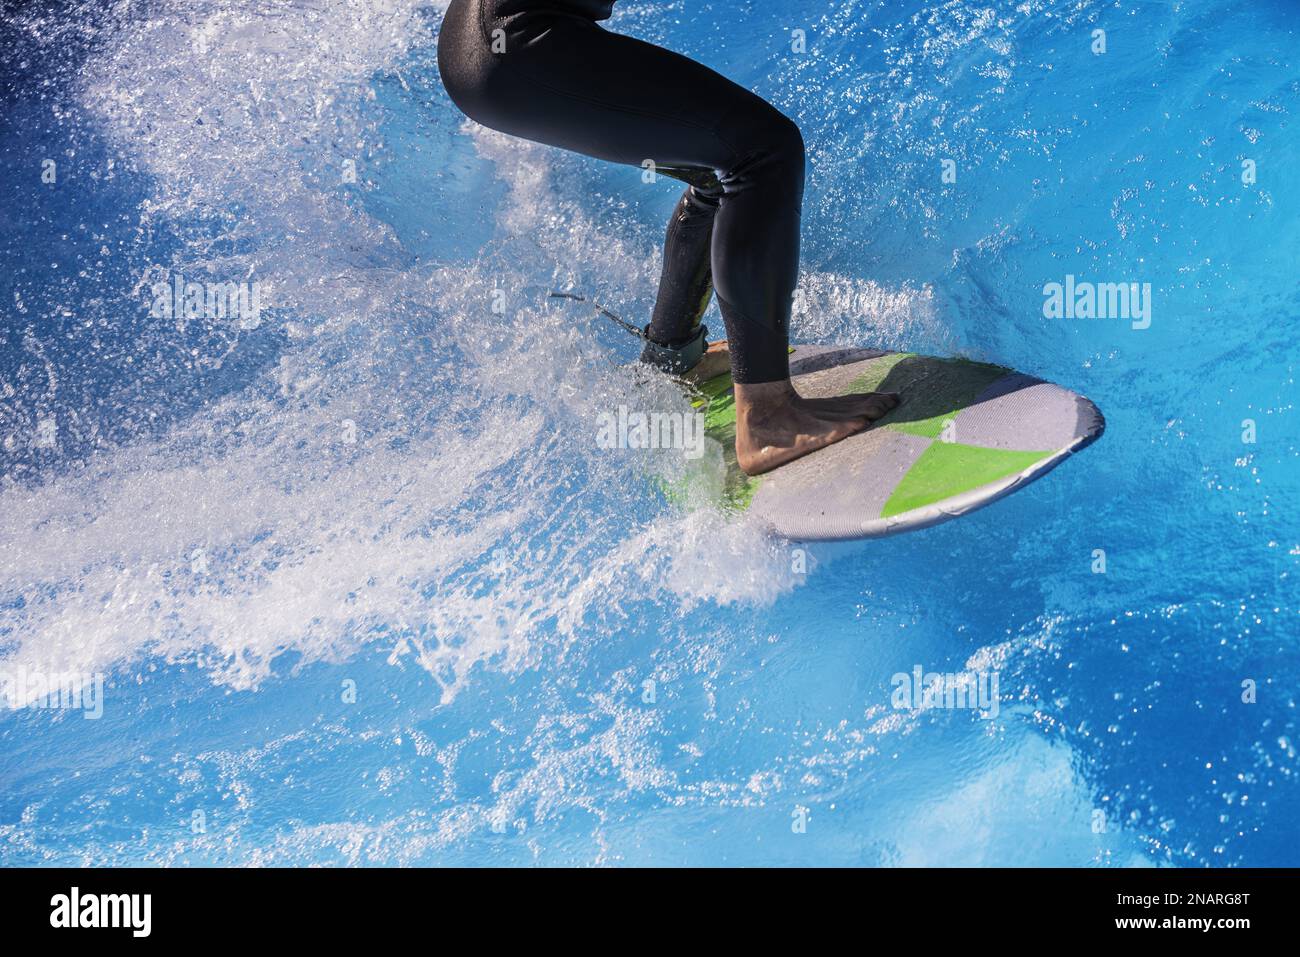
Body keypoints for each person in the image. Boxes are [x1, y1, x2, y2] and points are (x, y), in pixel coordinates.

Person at [437, 0, 899, 474]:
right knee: (763, 149)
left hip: (486, 48)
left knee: (720, 167)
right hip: (516, 45)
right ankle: (768, 418)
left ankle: (673, 360)